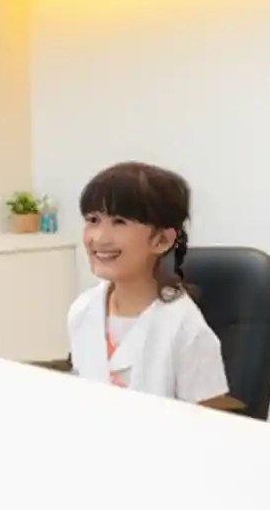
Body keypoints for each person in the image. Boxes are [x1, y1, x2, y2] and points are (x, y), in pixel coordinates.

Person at [67, 162, 231, 406]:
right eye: (93, 220)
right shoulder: (83, 310)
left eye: (119, 222)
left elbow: (213, 426)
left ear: (162, 240)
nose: (100, 237)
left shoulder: (187, 329)